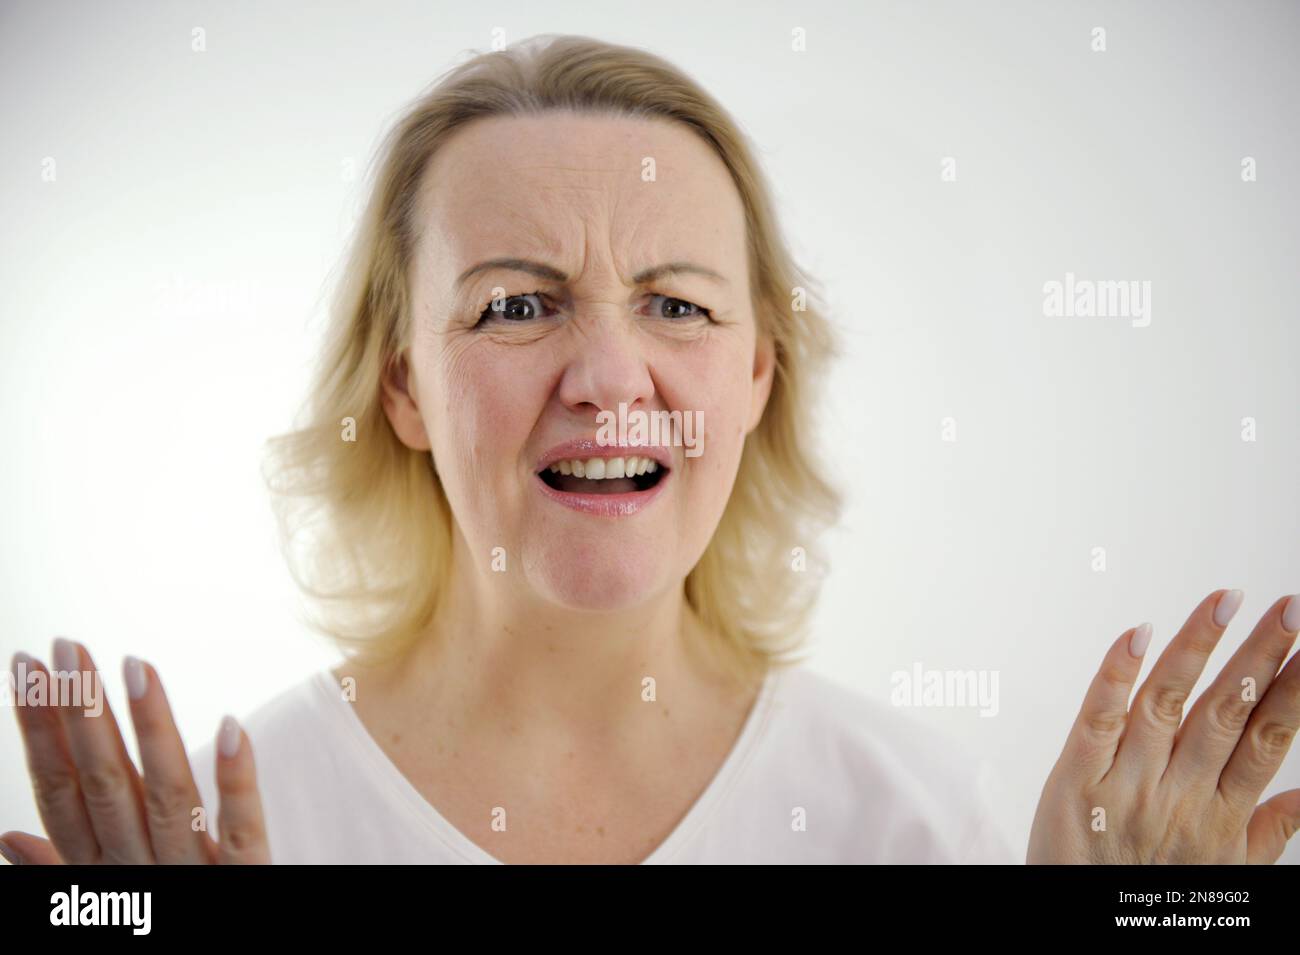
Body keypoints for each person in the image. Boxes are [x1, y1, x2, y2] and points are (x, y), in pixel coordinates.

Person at [4, 34, 1299, 866]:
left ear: (750, 380)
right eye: (517, 304)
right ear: (401, 384)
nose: (609, 377)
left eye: (677, 305)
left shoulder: (910, 819)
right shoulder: (228, 831)